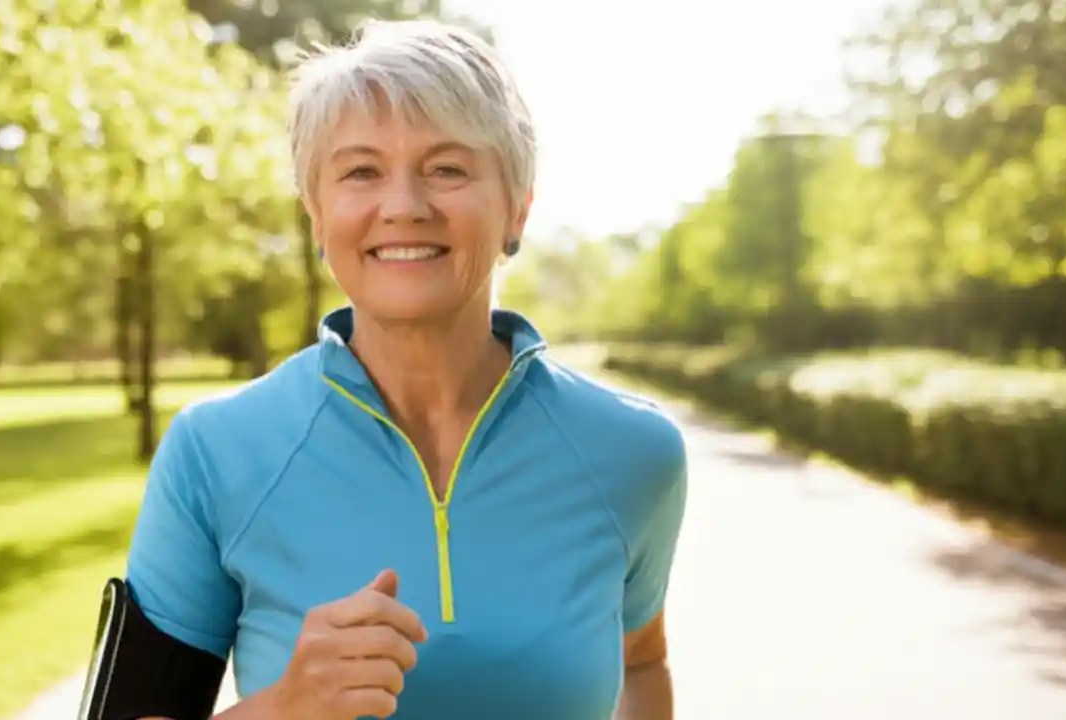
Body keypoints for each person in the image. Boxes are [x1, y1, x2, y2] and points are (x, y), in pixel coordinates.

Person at [80, 18, 688, 720]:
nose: (403, 206)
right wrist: (286, 708)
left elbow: (642, 659)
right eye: (361, 171)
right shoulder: (214, 453)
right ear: (316, 215)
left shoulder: (633, 452)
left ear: (517, 209)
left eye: (447, 169)